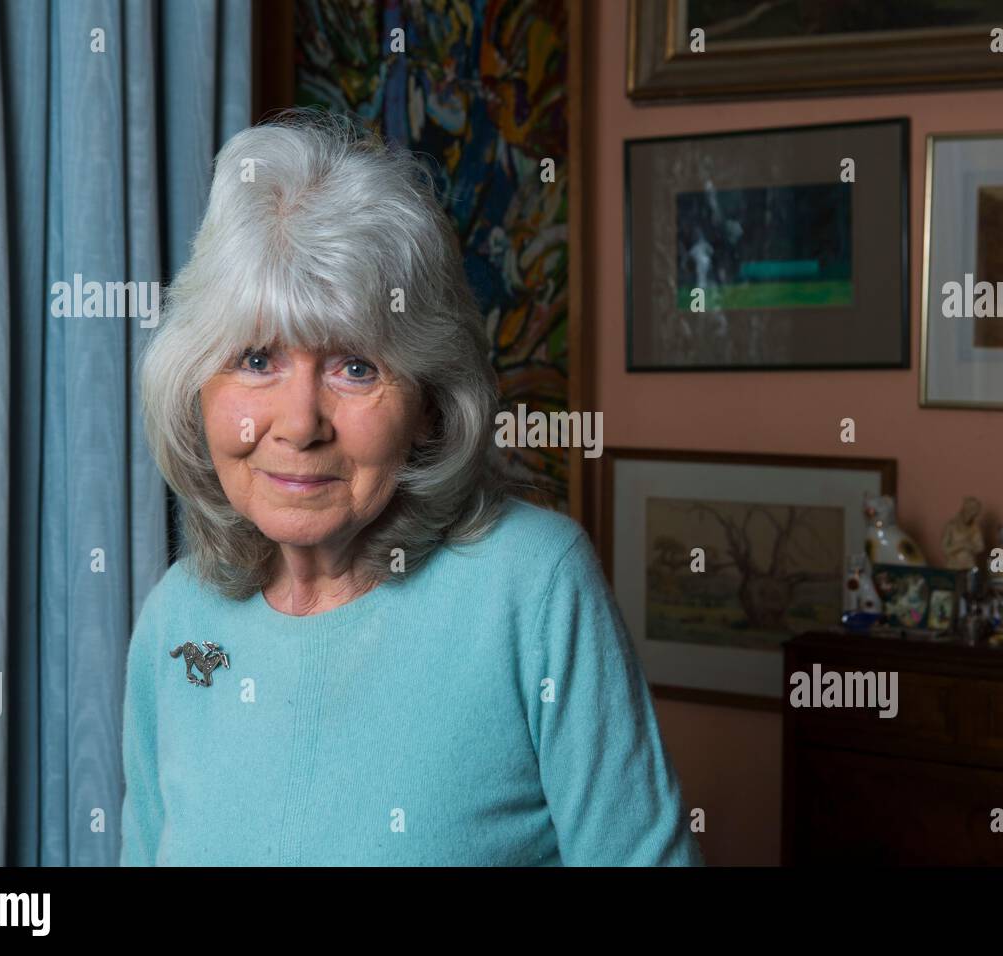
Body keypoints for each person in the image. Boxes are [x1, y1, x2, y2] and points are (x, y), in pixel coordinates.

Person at [120, 110, 702, 866]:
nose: (300, 424)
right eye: (257, 358)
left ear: (429, 401)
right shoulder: (177, 617)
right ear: (194, 384)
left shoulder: (532, 586)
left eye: (355, 367)